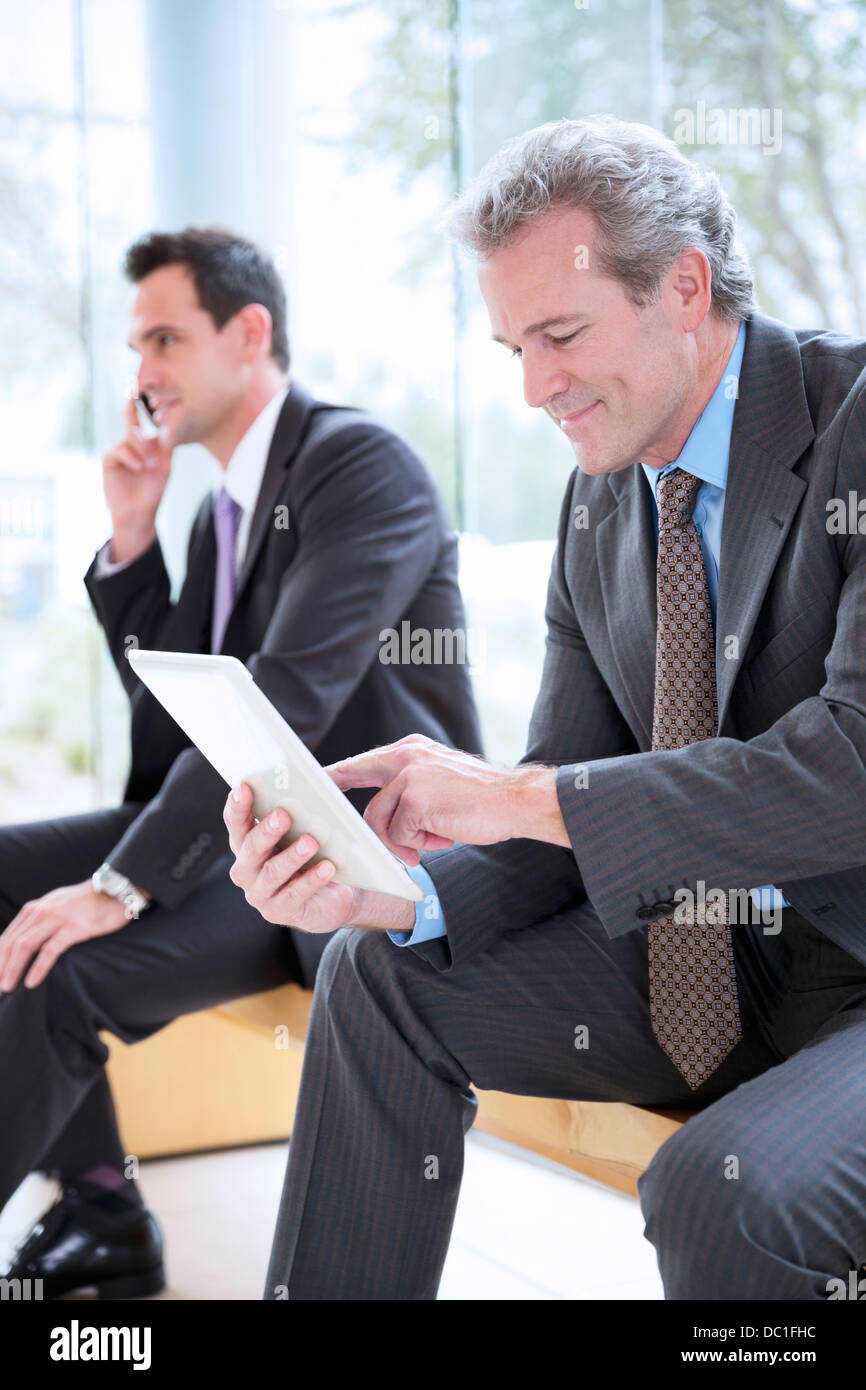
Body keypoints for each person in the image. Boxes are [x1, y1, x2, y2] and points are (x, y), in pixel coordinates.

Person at [226, 116, 866, 1300]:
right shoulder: (600, 502)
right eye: (512, 345)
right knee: (376, 975)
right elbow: (564, 802)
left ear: (682, 286)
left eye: (560, 334)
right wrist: (391, 890)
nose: (533, 388)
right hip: (713, 960)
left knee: (717, 1187)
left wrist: (518, 794)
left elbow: (849, 768)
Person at [0, 226, 483, 1299]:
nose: (145, 374)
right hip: (249, 831)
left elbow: (285, 703)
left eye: (165, 338)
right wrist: (132, 543)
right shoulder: (224, 510)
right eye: (135, 348)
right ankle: (103, 1212)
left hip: (350, 854)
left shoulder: (359, 467)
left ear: (249, 331)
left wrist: (118, 887)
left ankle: (99, 1214)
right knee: (9, 882)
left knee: (62, 967)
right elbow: (176, 733)